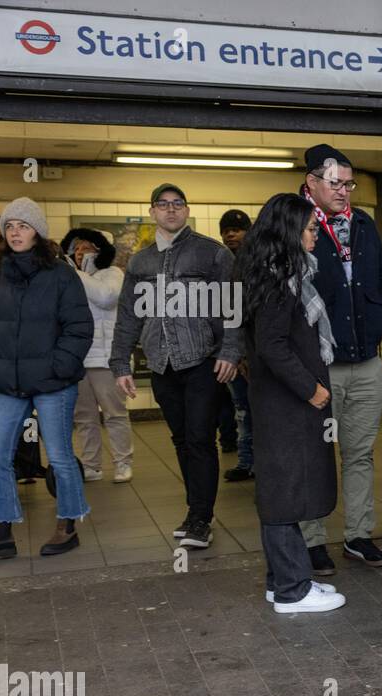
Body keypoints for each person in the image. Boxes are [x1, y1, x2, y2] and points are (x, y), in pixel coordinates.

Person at [110, 183, 241, 549]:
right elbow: (127, 318)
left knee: (200, 439)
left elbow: (231, 306)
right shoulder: (140, 262)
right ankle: (197, 510)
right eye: (163, 205)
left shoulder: (212, 254)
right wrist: (120, 361)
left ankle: (200, 517)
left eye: (178, 204)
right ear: (152, 212)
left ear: (186, 210)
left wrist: (230, 351)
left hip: (202, 361)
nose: (171, 210)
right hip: (162, 364)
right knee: (182, 439)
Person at [237, 193, 344, 613]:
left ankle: (280, 580)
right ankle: (293, 591)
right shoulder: (280, 278)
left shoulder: (273, 273)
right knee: (285, 493)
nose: (316, 233)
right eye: (311, 227)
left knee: (284, 489)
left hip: (279, 402)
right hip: (287, 404)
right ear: (290, 231)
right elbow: (273, 346)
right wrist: (312, 389)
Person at [297, 144, 382, 574]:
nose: (344, 191)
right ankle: (313, 540)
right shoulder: (295, 225)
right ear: (312, 183)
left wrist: (381, 323)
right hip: (319, 364)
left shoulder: (362, 223)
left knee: (359, 453)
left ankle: (358, 535)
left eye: (348, 183)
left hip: (365, 359)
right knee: (315, 453)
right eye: (336, 183)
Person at [0, 198, 92, 560]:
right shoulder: (1, 274)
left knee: (59, 457)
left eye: (23, 226)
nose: (15, 232)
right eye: (10, 226)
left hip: (52, 382)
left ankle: (68, 523)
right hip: (9, 384)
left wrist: (57, 366)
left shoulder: (61, 274)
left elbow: (79, 327)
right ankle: (1, 531)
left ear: (38, 232)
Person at [61, 228, 132, 483]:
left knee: (115, 413)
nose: (80, 252)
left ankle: (123, 462)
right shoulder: (71, 276)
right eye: (77, 248)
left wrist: (75, 272)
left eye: (87, 247)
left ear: (100, 251)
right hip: (78, 359)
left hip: (105, 358)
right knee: (84, 417)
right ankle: (92, 465)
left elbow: (105, 297)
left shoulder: (113, 274)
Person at [219, 210, 256, 481]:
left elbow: (249, 313)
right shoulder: (220, 263)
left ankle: (259, 461)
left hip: (255, 352)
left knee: (258, 409)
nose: (230, 234)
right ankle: (246, 461)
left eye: (236, 229)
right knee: (242, 409)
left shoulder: (256, 262)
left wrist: (245, 353)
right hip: (232, 352)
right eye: (226, 230)